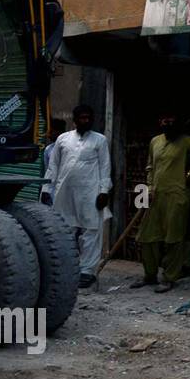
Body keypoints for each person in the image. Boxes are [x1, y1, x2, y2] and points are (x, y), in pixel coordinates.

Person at [134, 111, 190, 293]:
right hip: (155, 195)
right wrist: (149, 186)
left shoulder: (187, 141)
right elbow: (150, 166)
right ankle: (149, 275)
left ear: (177, 123)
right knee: (147, 236)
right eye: (163, 120)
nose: (167, 123)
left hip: (177, 196)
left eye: (171, 120)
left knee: (174, 239)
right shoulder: (155, 141)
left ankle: (169, 278)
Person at [41, 105, 112, 288]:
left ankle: (87, 270)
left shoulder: (100, 140)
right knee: (65, 230)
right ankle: (69, 267)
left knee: (91, 231)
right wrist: (47, 190)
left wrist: (104, 191)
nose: (85, 121)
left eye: (88, 118)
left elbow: (105, 167)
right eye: (82, 118)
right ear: (75, 120)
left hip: (90, 193)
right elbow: (53, 166)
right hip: (65, 193)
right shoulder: (63, 139)